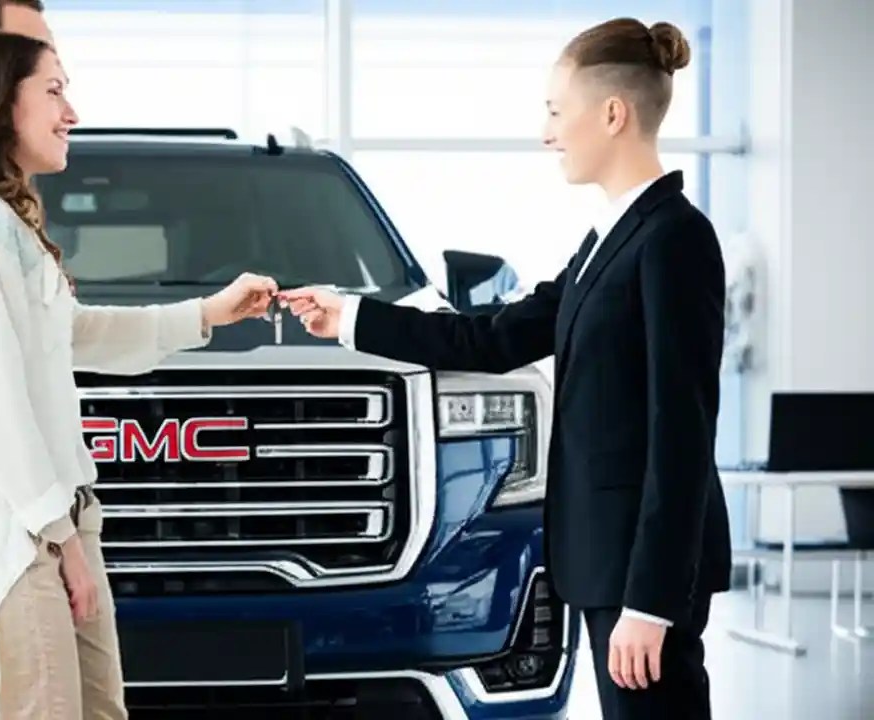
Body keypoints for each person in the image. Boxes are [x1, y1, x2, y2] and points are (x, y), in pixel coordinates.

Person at [280, 17, 730, 720]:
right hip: (607, 560)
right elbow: (493, 339)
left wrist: (653, 600)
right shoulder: (609, 240)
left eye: (556, 111)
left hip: (641, 575)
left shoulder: (674, 240)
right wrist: (352, 317)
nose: (547, 133)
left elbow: (683, 433)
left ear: (612, 114)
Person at [0, 30, 277, 720]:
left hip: (37, 520)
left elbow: (69, 335)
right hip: (10, 534)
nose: (72, 111)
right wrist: (60, 541)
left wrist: (206, 313)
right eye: (54, 89)